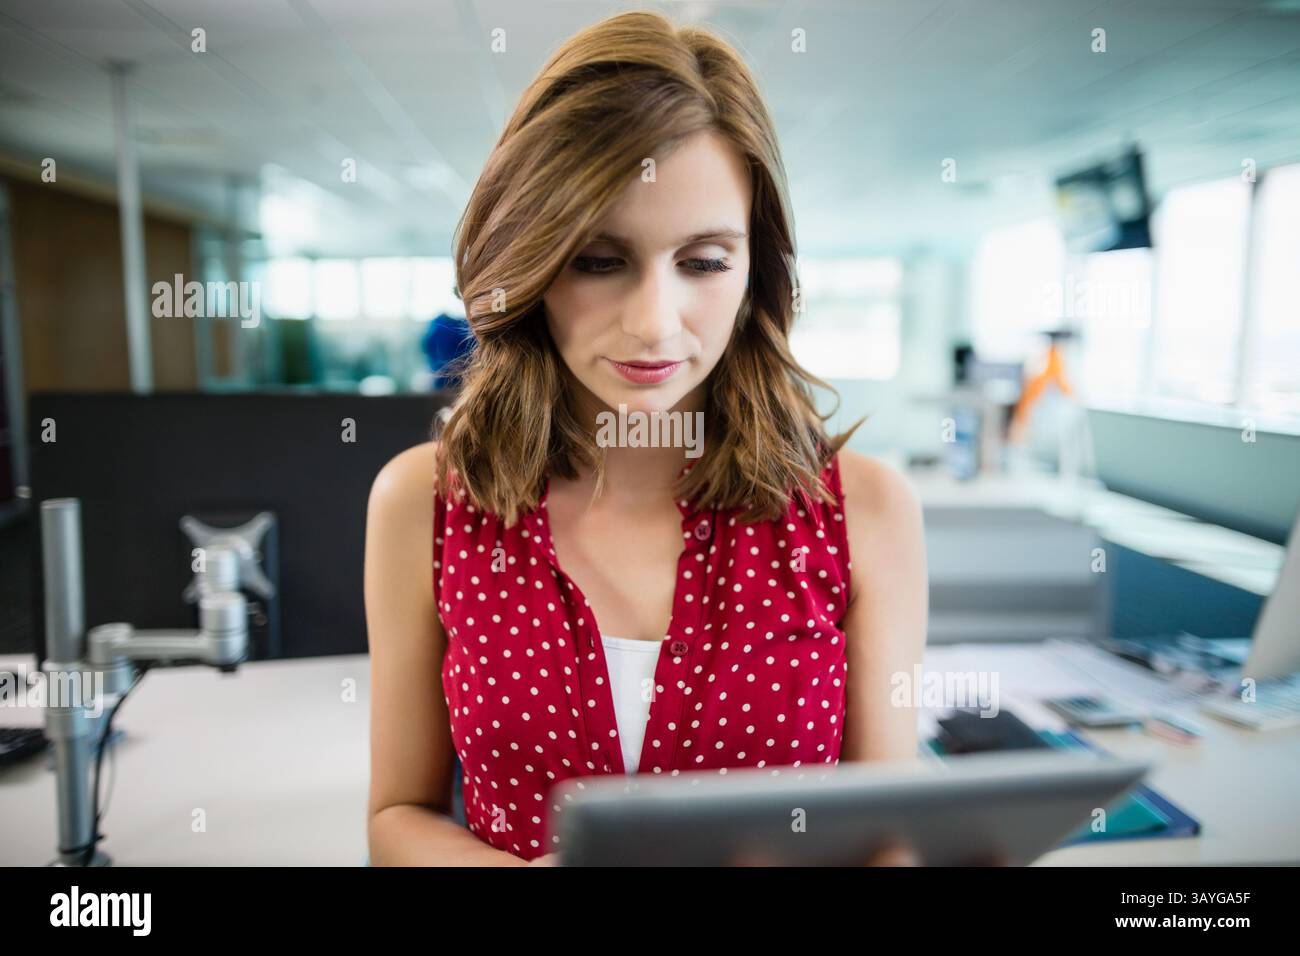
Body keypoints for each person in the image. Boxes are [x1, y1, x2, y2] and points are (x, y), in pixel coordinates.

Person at [364, 10, 927, 866]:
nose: (655, 324)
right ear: (533, 261)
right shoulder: (426, 502)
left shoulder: (866, 511)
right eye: (598, 259)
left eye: (703, 262)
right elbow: (397, 815)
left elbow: (888, 837)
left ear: (755, 270)